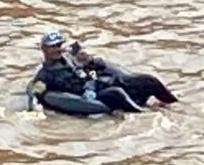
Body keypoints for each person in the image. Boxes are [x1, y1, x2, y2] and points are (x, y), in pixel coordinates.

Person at [28, 30, 179, 112]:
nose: (57, 49)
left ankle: (176, 107)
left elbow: (97, 65)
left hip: (103, 82)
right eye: (52, 46)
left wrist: (89, 59)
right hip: (98, 96)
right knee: (117, 93)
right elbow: (36, 92)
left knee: (148, 81)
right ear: (44, 49)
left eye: (58, 44)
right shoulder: (45, 74)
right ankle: (147, 114)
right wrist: (33, 108)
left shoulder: (71, 57)